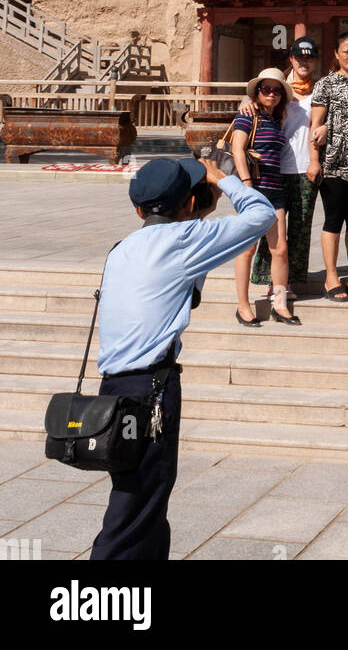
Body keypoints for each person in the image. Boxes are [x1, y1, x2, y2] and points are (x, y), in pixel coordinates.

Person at [90, 156, 275, 559]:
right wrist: (222, 178)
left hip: (113, 391)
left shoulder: (122, 248)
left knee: (145, 500)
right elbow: (261, 214)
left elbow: (185, 287)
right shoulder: (185, 241)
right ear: (189, 205)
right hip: (149, 392)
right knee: (134, 509)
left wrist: (199, 207)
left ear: (138, 209)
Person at [247, 37, 321, 297]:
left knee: (301, 227)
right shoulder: (277, 88)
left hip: (305, 168)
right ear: (291, 58)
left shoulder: (320, 91)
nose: (304, 61)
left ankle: (290, 280)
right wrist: (244, 103)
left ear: (315, 61)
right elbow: (254, 104)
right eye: (299, 56)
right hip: (275, 168)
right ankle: (270, 279)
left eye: (309, 57)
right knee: (273, 228)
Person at [232, 67, 298, 325]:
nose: (271, 93)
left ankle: (279, 304)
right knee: (247, 249)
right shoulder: (247, 115)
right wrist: (247, 185)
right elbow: (238, 150)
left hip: (275, 189)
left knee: (279, 249)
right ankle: (243, 305)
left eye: (276, 90)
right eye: (265, 89)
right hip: (254, 188)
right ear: (257, 92)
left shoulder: (275, 119)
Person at [307, 32, 348, 301]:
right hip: (333, 162)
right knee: (334, 219)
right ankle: (331, 276)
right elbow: (315, 125)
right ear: (336, 54)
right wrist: (313, 160)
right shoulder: (326, 84)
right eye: (347, 51)